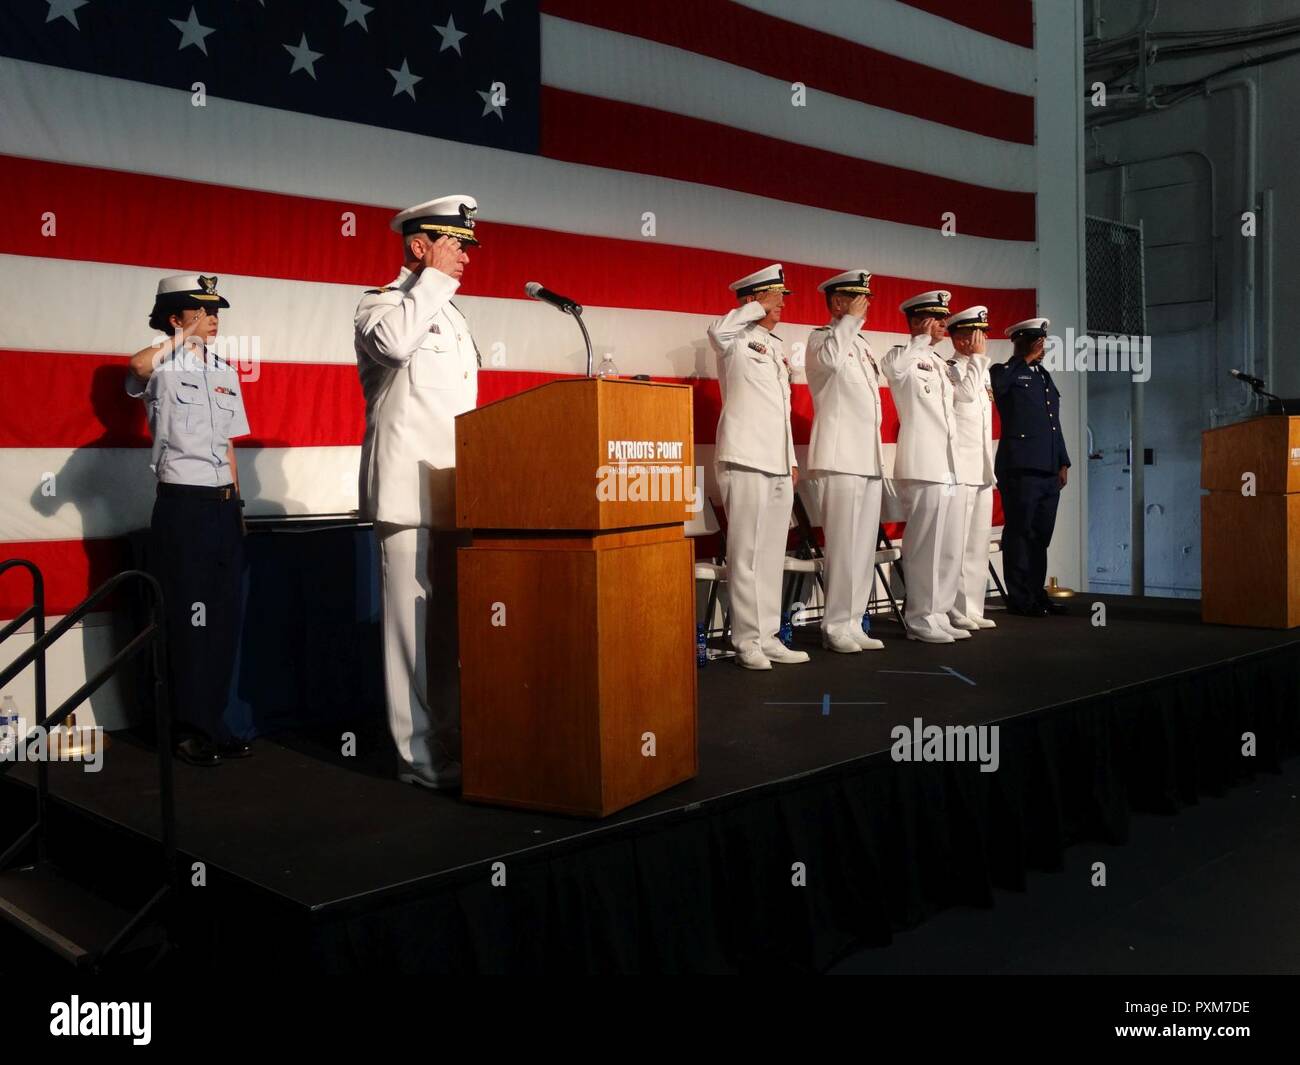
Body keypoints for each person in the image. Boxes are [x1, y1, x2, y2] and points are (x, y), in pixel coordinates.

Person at [354, 195, 480, 789]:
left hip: (456, 492)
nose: (465, 256)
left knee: (450, 630)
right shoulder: (380, 304)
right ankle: (419, 759)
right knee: (410, 634)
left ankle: (452, 741)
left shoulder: (453, 316)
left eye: (466, 245)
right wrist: (430, 282)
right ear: (418, 245)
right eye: (454, 243)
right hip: (406, 494)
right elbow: (395, 347)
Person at [126, 274, 251, 767]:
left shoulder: (224, 370)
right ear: (177, 317)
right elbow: (135, 367)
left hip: (222, 506)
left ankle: (216, 722)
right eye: (202, 311)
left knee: (221, 618)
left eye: (216, 311)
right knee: (187, 618)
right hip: (183, 505)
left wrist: (237, 505)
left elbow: (229, 444)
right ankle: (186, 728)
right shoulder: (160, 366)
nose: (214, 319)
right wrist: (181, 336)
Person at [708, 264, 808, 670]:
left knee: (770, 553)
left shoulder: (773, 345)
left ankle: (768, 634)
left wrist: (792, 459)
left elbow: (781, 410)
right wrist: (751, 308)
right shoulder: (734, 338)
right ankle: (746, 639)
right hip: (745, 455)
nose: (782, 302)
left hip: (777, 460)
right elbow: (718, 332)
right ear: (753, 298)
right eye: (774, 295)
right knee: (745, 552)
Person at [805, 269, 886, 653]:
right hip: (839, 458)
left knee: (863, 547)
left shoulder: (864, 345)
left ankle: (854, 621)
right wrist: (849, 321)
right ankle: (835, 625)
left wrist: (854, 326)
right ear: (838, 302)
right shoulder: (822, 339)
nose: (865, 303)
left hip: (866, 458)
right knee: (843, 545)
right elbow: (833, 364)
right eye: (857, 298)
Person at [881, 290, 968, 644]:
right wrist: (918, 339)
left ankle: (939, 611)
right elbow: (893, 371)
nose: (944, 324)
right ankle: (919, 616)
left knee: (948, 543)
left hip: (948, 465)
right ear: (919, 321)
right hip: (921, 464)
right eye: (938, 318)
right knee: (923, 545)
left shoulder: (940, 364)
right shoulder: (902, 356)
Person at [990, 317, 1071, 616]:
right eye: (1036, 341)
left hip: (1048, 468)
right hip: (1021, 468)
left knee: (1040, 535)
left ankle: (1037, 594)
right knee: (1020, 534)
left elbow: (1053, 424)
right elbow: (997, 387)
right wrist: (1022, 359)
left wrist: (1063, 461)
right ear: (1020, 341)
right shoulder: (1005, 372)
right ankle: (1021, 598)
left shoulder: (1043, 376)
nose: (1042, 346)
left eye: (1043, 341)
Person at [942, 306, 997, 630]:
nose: (984, 340)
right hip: (959, 469)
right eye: (978, 334)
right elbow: (961, 400)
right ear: (962, 339)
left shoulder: (982, 370)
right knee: (958, 545)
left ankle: (973, 606)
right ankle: (954, 608)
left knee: (978, 543)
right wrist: (977, 360)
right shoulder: (950, 369)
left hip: (981, 467)